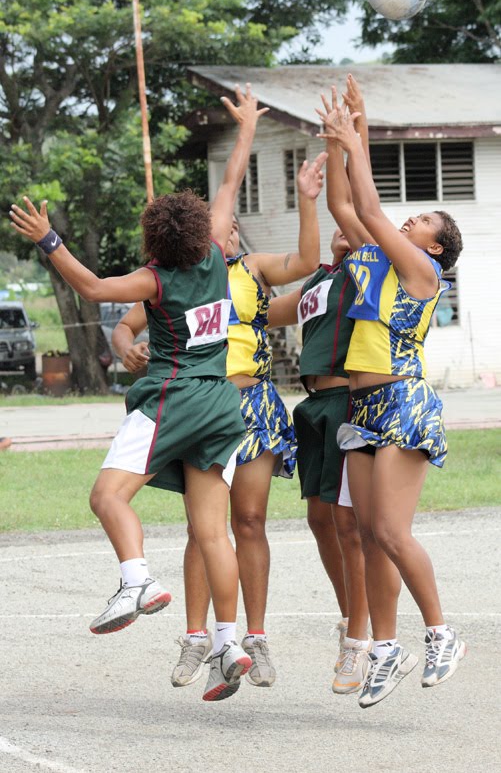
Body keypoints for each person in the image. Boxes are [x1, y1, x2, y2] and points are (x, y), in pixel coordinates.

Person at [9, 84, 273, 703]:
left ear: (155, 242)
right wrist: (247, 130)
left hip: (174, 397)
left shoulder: (156, 279)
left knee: (106, 496)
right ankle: (229, 642)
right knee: (214, 532)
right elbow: (232, 180)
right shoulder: (216, 253)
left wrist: (49, 241)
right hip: (221, 403)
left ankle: (137, 582)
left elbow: (97, 290)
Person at [113, 151, 328, 689]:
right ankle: (196, 637)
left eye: (231, 226)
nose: (226, 231)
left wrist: (308, 201)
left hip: (252, 407)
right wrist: (126, 349)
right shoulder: (182, 277)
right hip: (200, 403)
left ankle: (251, 637)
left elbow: (305, 262)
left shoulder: (251, 274)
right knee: (201, 527)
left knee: (249, 522)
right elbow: (125, 323)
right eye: (218, 226)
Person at [316, 94, 466, 708]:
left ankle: (442, 633)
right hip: (362, 410)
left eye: (420, 223)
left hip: (404, 402)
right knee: (366, 533)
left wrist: (360, 139)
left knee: (391, 531)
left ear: (434, 247)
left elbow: (371, 207)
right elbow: (344, 205)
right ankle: (385, 649)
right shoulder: (378, 259)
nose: (408, 223)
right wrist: (338, 137)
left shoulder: (423, 276)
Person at [267, 76, 371, 696]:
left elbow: (353, 206)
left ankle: (360, 637)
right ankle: (348, 621)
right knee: (317, 520)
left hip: (349, 400)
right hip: (312, 407)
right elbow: (253, 311)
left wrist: (351, 134)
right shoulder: (315, 285)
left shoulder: (365, 267)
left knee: (349, 524)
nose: (343, 229)